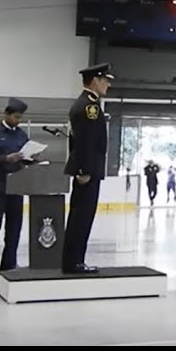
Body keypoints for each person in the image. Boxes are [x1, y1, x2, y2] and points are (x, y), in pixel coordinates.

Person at [62, 63, 113, 275]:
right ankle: (74, 263)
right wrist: (83, 169)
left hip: (88, 169)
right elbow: (85, 141)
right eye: (105, 80)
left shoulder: (88, 104)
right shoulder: (88, 107)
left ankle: (74, 261)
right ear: (95, 80)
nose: (108, 85)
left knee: (81, 216)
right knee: (81, 217)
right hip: (87, 171)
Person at [0, 98, 34, 275]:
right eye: (16, 117)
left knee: (14, 227)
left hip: (16, 186)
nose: (18, 120)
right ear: (7, 115)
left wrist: (32, 158)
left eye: (20, 118)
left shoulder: (22, 135)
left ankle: (9, 263)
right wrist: (6, 158)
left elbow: (25, 156)